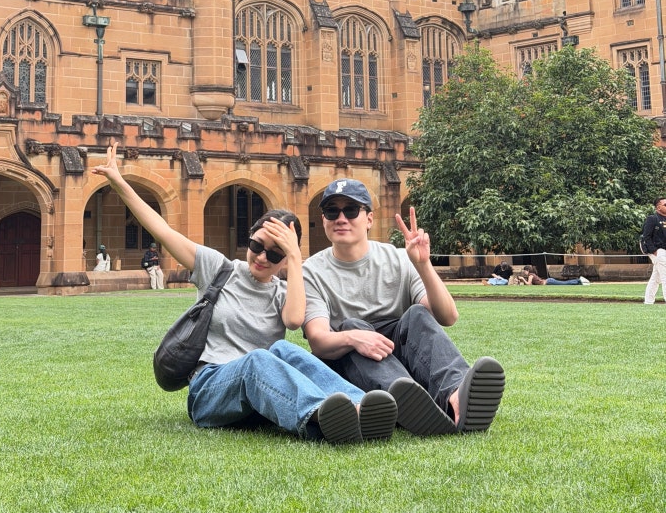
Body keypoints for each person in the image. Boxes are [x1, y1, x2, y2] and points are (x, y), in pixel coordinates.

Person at [91, 144, 398, 444]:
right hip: (210, 389)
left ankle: (362, 406)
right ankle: (322, 414)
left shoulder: (284, 290)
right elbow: (163, 231)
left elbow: (293, 321)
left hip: (257, 394)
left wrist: (294, 257)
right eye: (257, 246)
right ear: (249, 238)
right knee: (258, 359)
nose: (263, 257)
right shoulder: (219, 269)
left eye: (276, 254)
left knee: (286, 351)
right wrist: (119, 183)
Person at [302, 180, 505, 437]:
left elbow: (448, 316)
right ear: (324, 220)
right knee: (352, 325)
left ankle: (456, 394)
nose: (341, 218)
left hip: (397, 350)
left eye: (351, 210)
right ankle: (410, 400)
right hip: (352, 363)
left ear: (369, 219)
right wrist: (354, 338)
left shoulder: (398, 257)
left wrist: (423, 265)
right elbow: (319, 342)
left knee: (418, 314)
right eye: (332, 212)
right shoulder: (311, 271)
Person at [642, 196, 666, 305]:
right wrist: (654, 251)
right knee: (665, 275)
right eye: (665, 204)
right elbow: (646, 236)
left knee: (656, 278)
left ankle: (648, 301)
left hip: (664, 250)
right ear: (658, 207)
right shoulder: (653, 218)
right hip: (658, 250)